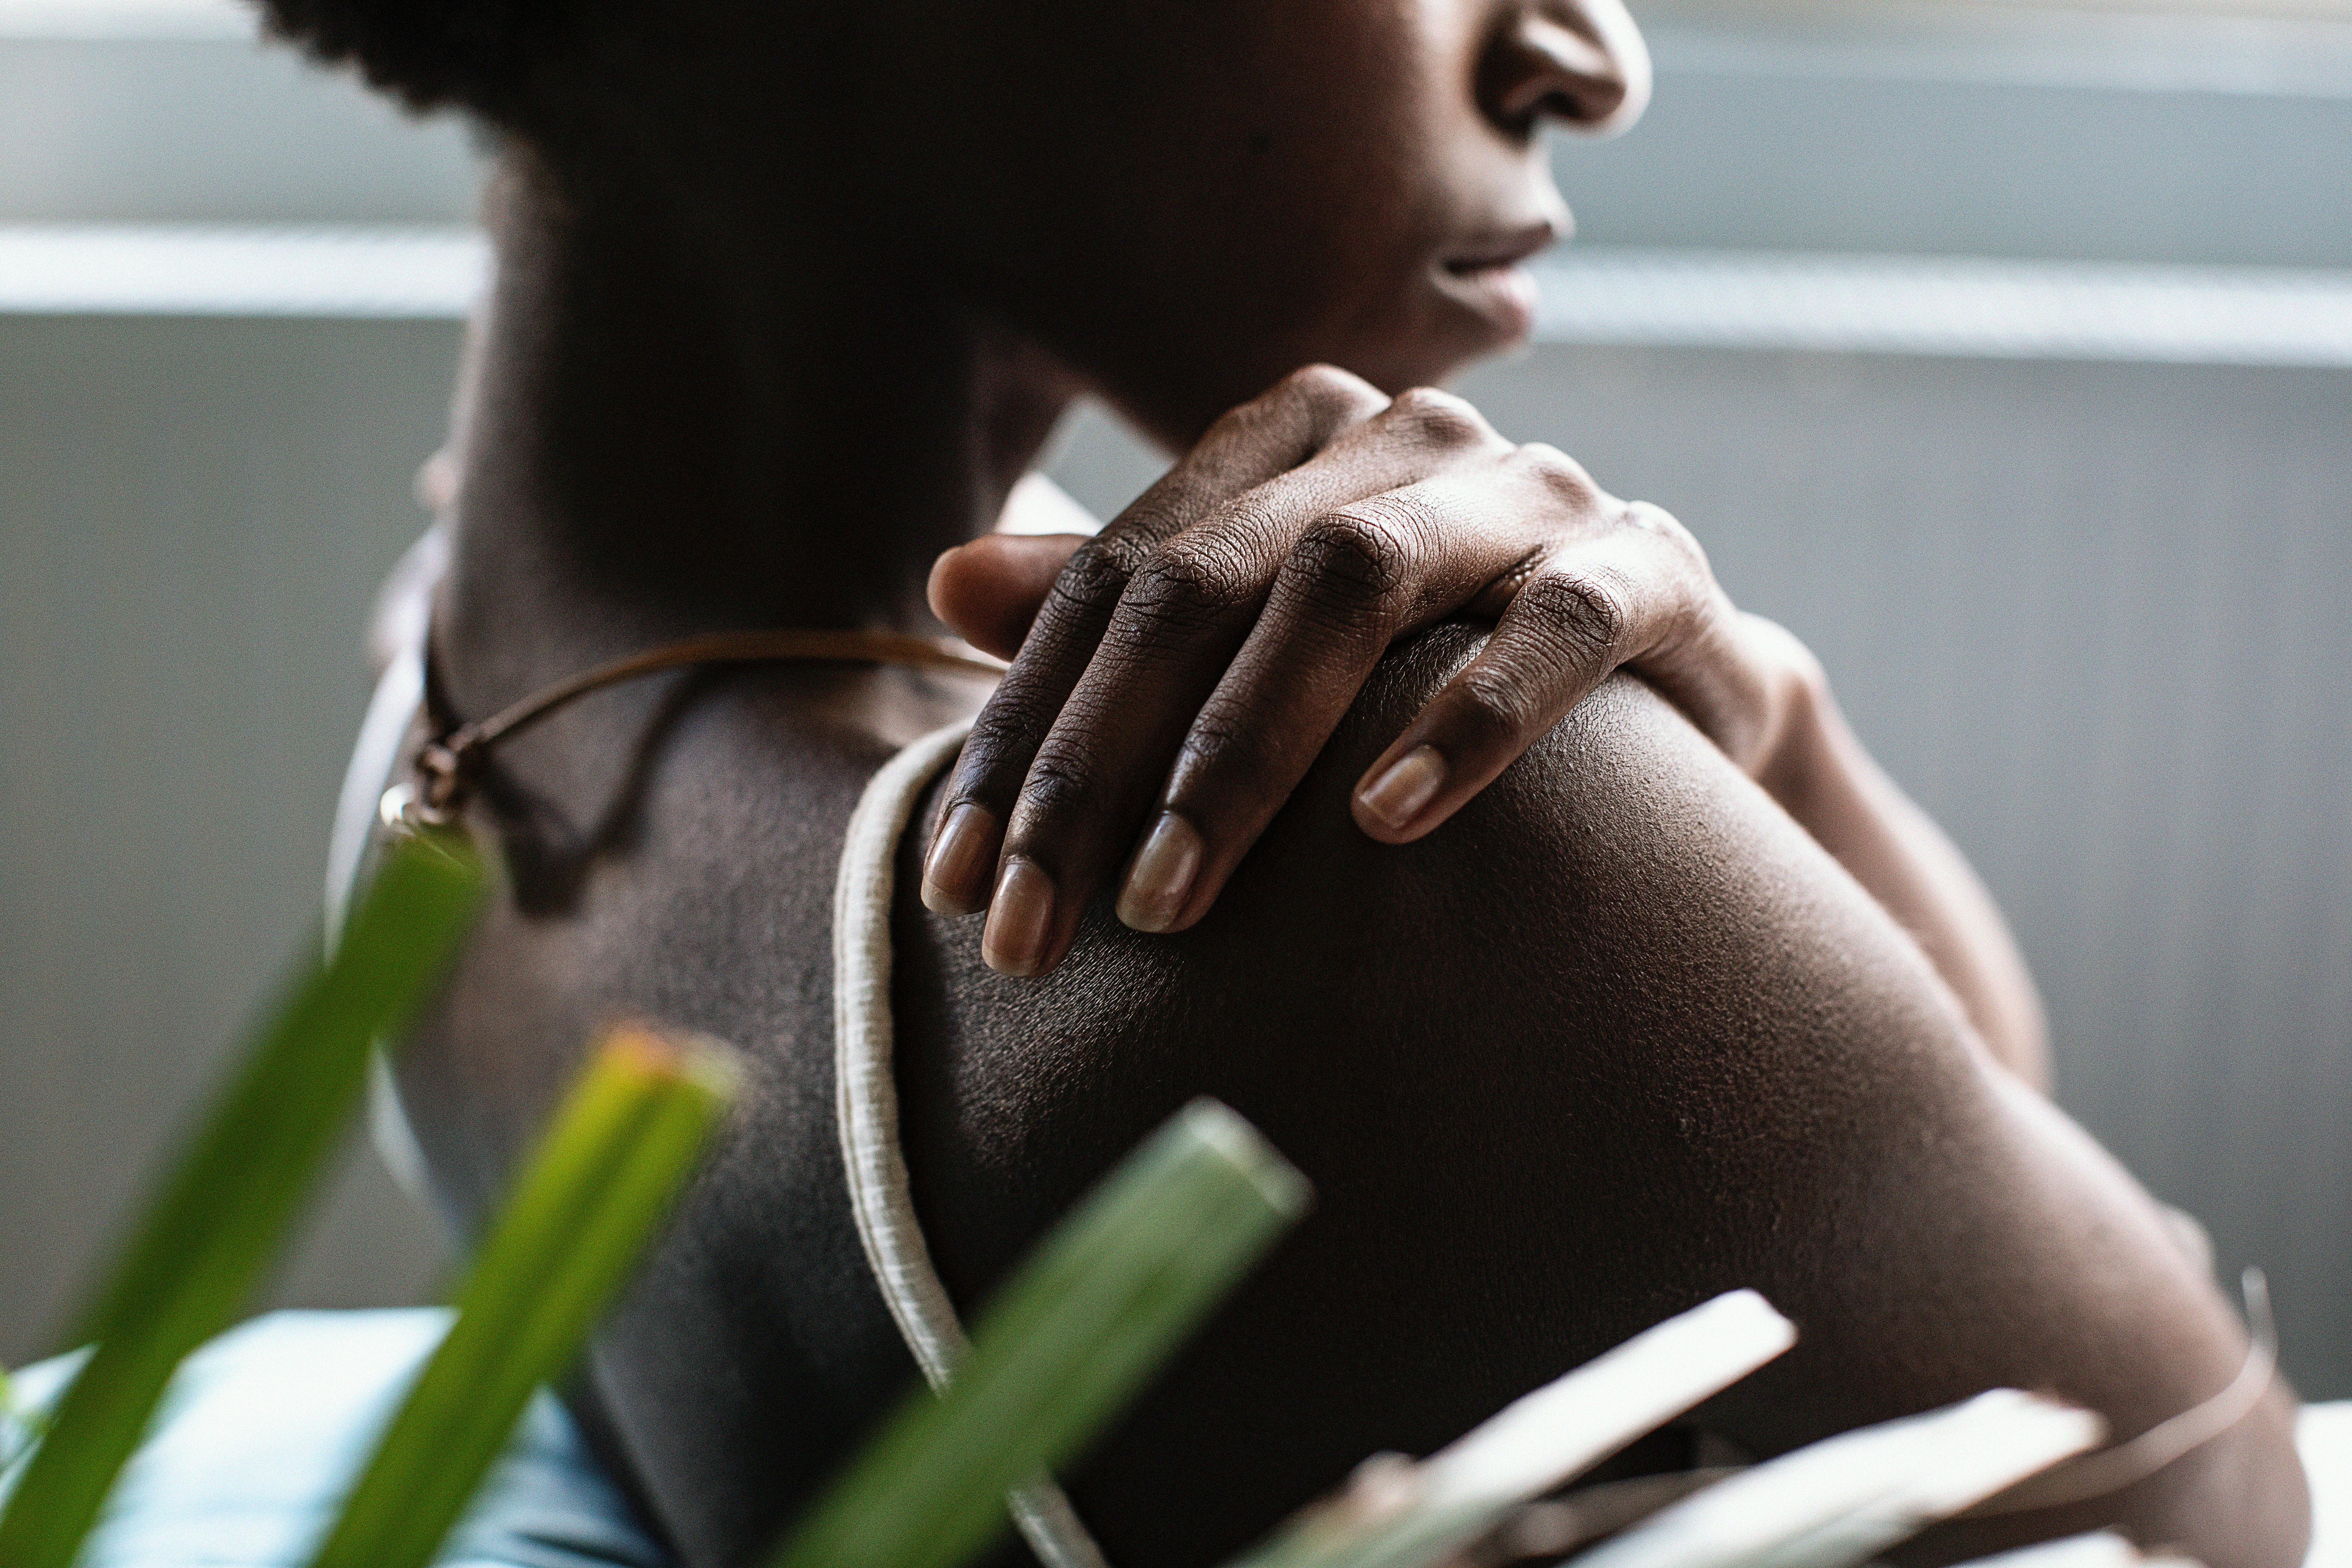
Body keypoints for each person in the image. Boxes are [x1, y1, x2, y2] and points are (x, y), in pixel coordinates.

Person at [269, 0, 2309, 1562]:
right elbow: (2227, 1492)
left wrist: (1749, 705)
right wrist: (1680, 764)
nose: (1585, 58)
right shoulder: (1393, 866)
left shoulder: (480, 660)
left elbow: (1929, 1161)